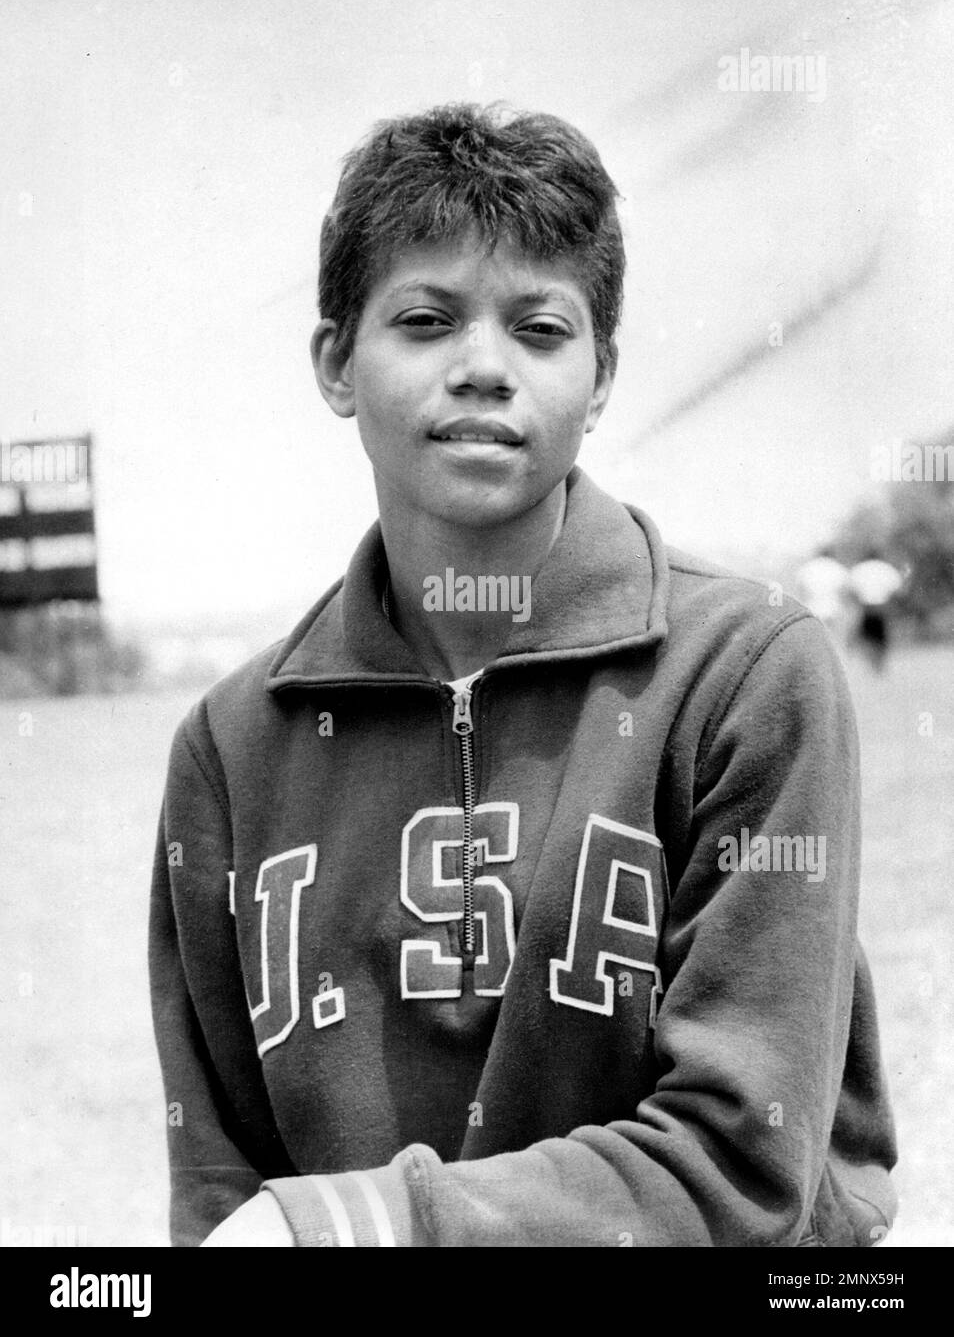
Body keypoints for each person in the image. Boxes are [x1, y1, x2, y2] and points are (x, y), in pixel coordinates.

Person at [149, 103, 897, 1248]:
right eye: (427, 319)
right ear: (336, 362)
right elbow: (220, 1192)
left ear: (600, 380)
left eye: (541, 330)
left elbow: (745, 1166)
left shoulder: (745, 673)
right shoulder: (230, 747)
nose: (484, 368)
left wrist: (364, 1224)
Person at [849, 557, 904, 672]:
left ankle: (870, 664)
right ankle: (880, 664)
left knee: (867, 636)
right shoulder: (887, 568)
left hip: (866, 606)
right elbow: (897, 589)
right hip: (882, 606)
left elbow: (851, 589)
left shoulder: (860, 568)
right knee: (881, 637)